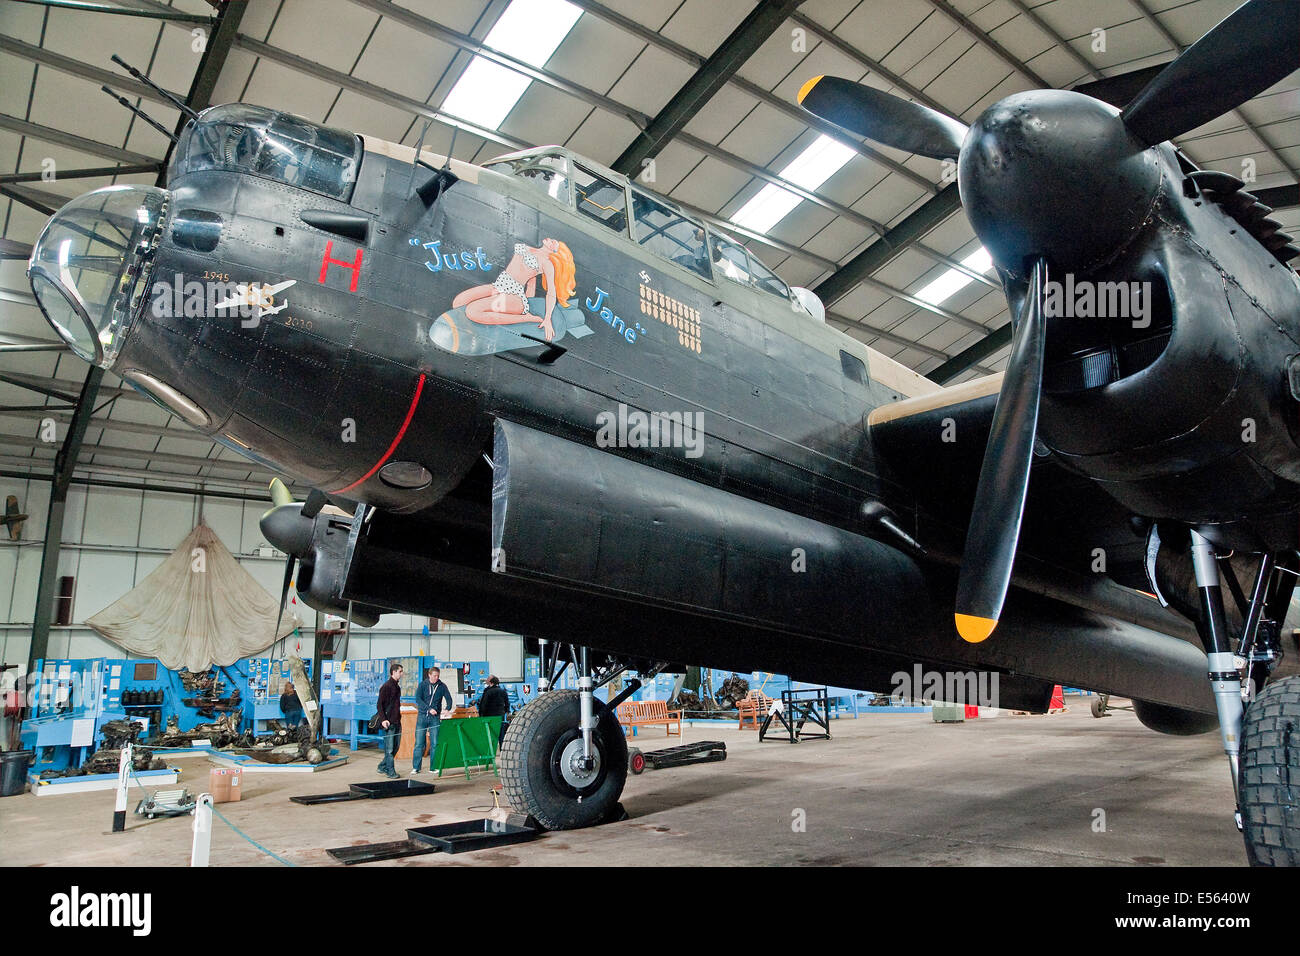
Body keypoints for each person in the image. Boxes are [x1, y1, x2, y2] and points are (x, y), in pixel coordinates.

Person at [450, 238, 576, 342]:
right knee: (459, 302)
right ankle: (470, 329)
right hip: (499, 285)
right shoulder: (526, 247)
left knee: (472, 311)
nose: (552, 240)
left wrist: (547, 318)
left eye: (554, 242)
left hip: (514, 295)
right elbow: (531, 283)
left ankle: (526, 318)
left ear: (555, 250)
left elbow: (551, 292)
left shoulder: (547, 264)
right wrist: (530, 297)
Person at [411, 666, 453, 775]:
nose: (436, 677)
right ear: (429, 675)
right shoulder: (422, 685)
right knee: (419, 743)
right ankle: (416, 767)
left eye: (438, 676)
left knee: (435, 743)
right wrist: (429, 709)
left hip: (435, 719)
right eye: (434, 675)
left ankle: (433, 767)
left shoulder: (442, 686)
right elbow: (418, 699)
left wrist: (447, 709)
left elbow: (449, 699)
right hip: (422, 717)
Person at [377, 662, 404, 779]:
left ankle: (382, 766)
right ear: (394, 672)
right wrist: (383, 720)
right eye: (400, 671)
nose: (402, 674)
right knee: (389, 749)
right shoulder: (386, 686)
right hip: (389, 722)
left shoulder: (397, 687)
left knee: (396, 747)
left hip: (397, 721)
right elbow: (379, 705)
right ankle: (390, 771)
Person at [477, 675, 510, 745]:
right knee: (501, 734)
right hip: (500, 716)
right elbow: (507, 703)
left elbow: (483, 704)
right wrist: (507, 711)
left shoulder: (488, 692)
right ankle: (502, 749)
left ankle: (491, 751)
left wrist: (481, 715)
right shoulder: (503, 691)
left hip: (489, 717)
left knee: (490, 734)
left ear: (491, 683)